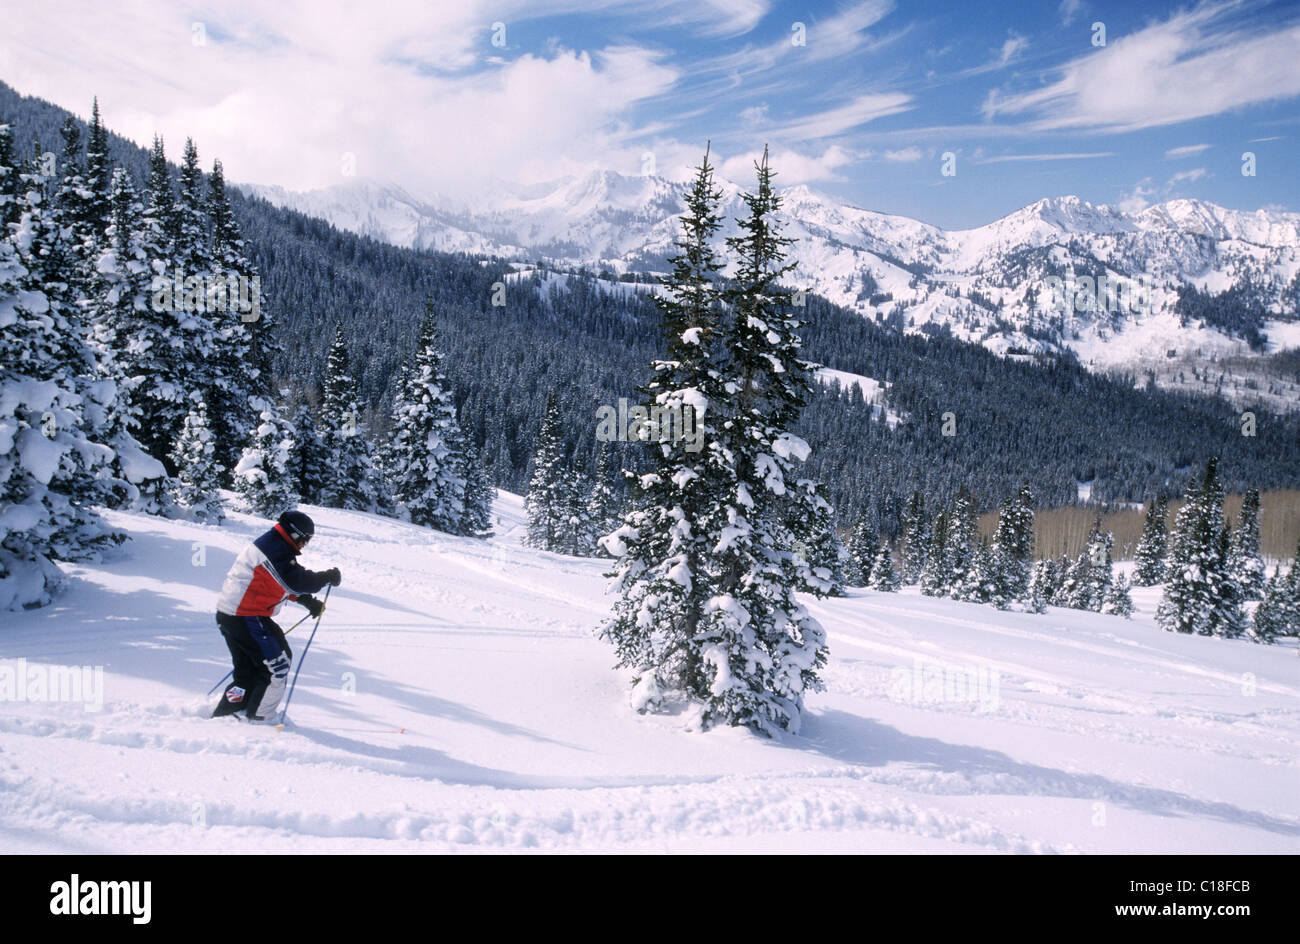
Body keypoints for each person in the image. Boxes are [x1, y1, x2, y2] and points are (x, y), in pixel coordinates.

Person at [211, 510, 341, 721]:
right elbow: (294, 581)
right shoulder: (275, 549)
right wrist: (326, 577)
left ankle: (228, 714)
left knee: (249, 671)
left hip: (235, 615)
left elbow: (273, 583)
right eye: (306, 539)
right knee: (277, 667)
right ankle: (259, 719)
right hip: (246, 616)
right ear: (295, 534)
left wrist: (305, 600)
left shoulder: (274, 545)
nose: (305, 545)